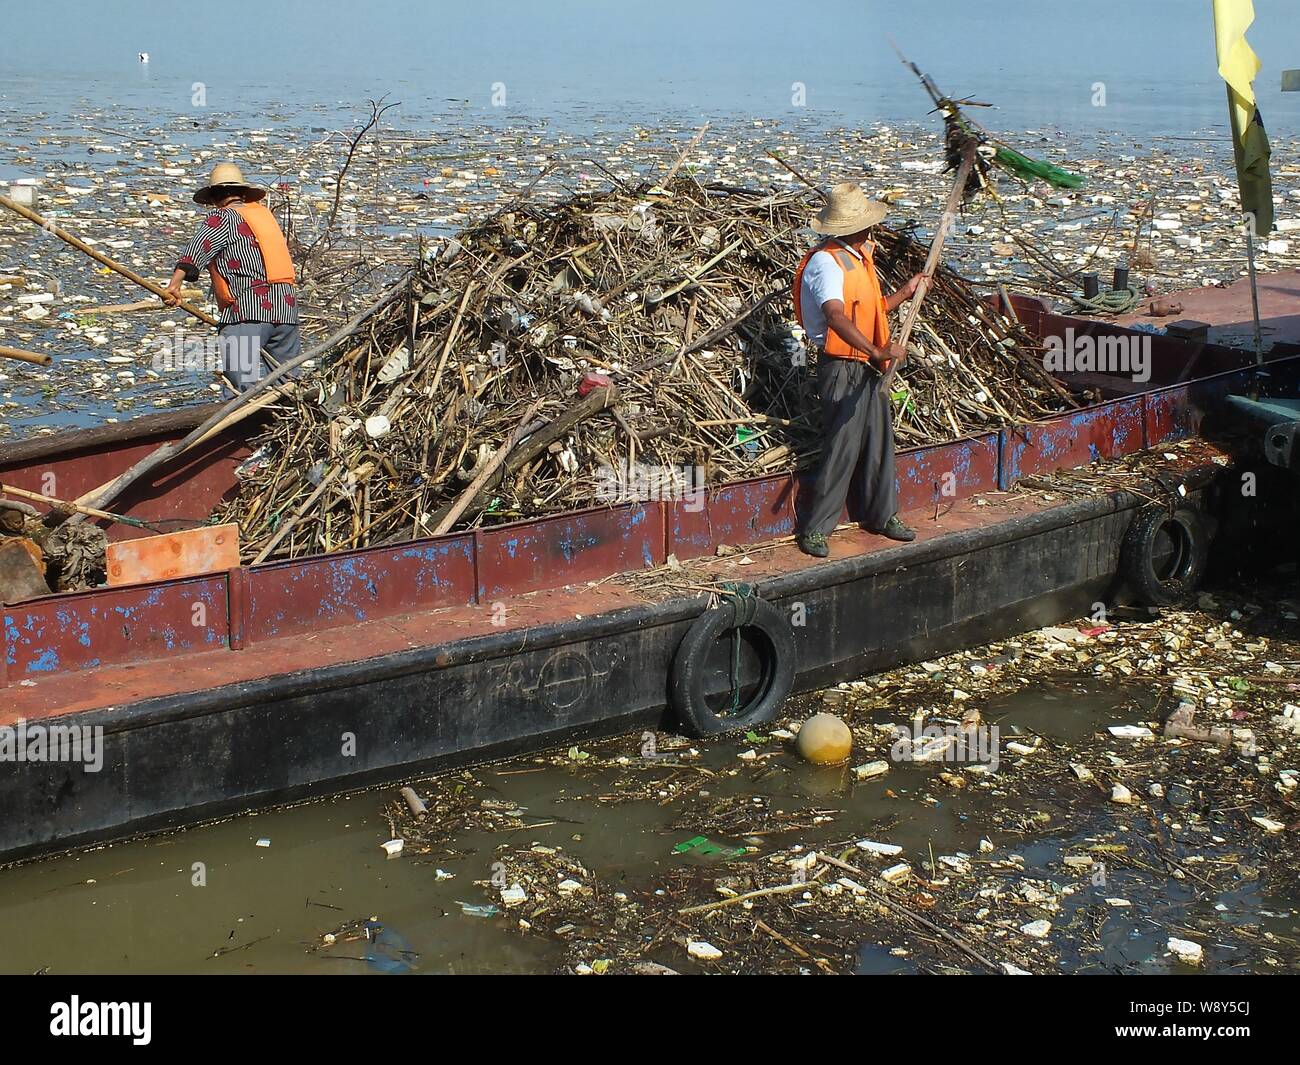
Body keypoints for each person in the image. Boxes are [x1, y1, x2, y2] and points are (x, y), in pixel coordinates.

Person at [792, 182, 924, 558]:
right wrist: (878, 351)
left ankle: (883, 515)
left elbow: (872, 309)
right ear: (855, 227)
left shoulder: (859, 260)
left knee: (879, 440)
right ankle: (815, 529)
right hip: (842, 368)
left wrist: (906, 291)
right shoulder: (826, 263)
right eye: (868, 224)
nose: (873, 230)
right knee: (842, 447)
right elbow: (835, 316)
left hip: (866, 365)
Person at [163, 162, 298, 390]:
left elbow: (196, 251)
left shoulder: (222, 217)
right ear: (242, 194)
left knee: (242, 387)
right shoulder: (263, 217)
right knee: (287, 383)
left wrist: (174, 286)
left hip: (248, 312)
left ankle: (246, 424)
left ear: (215, 197)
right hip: (286, 311)